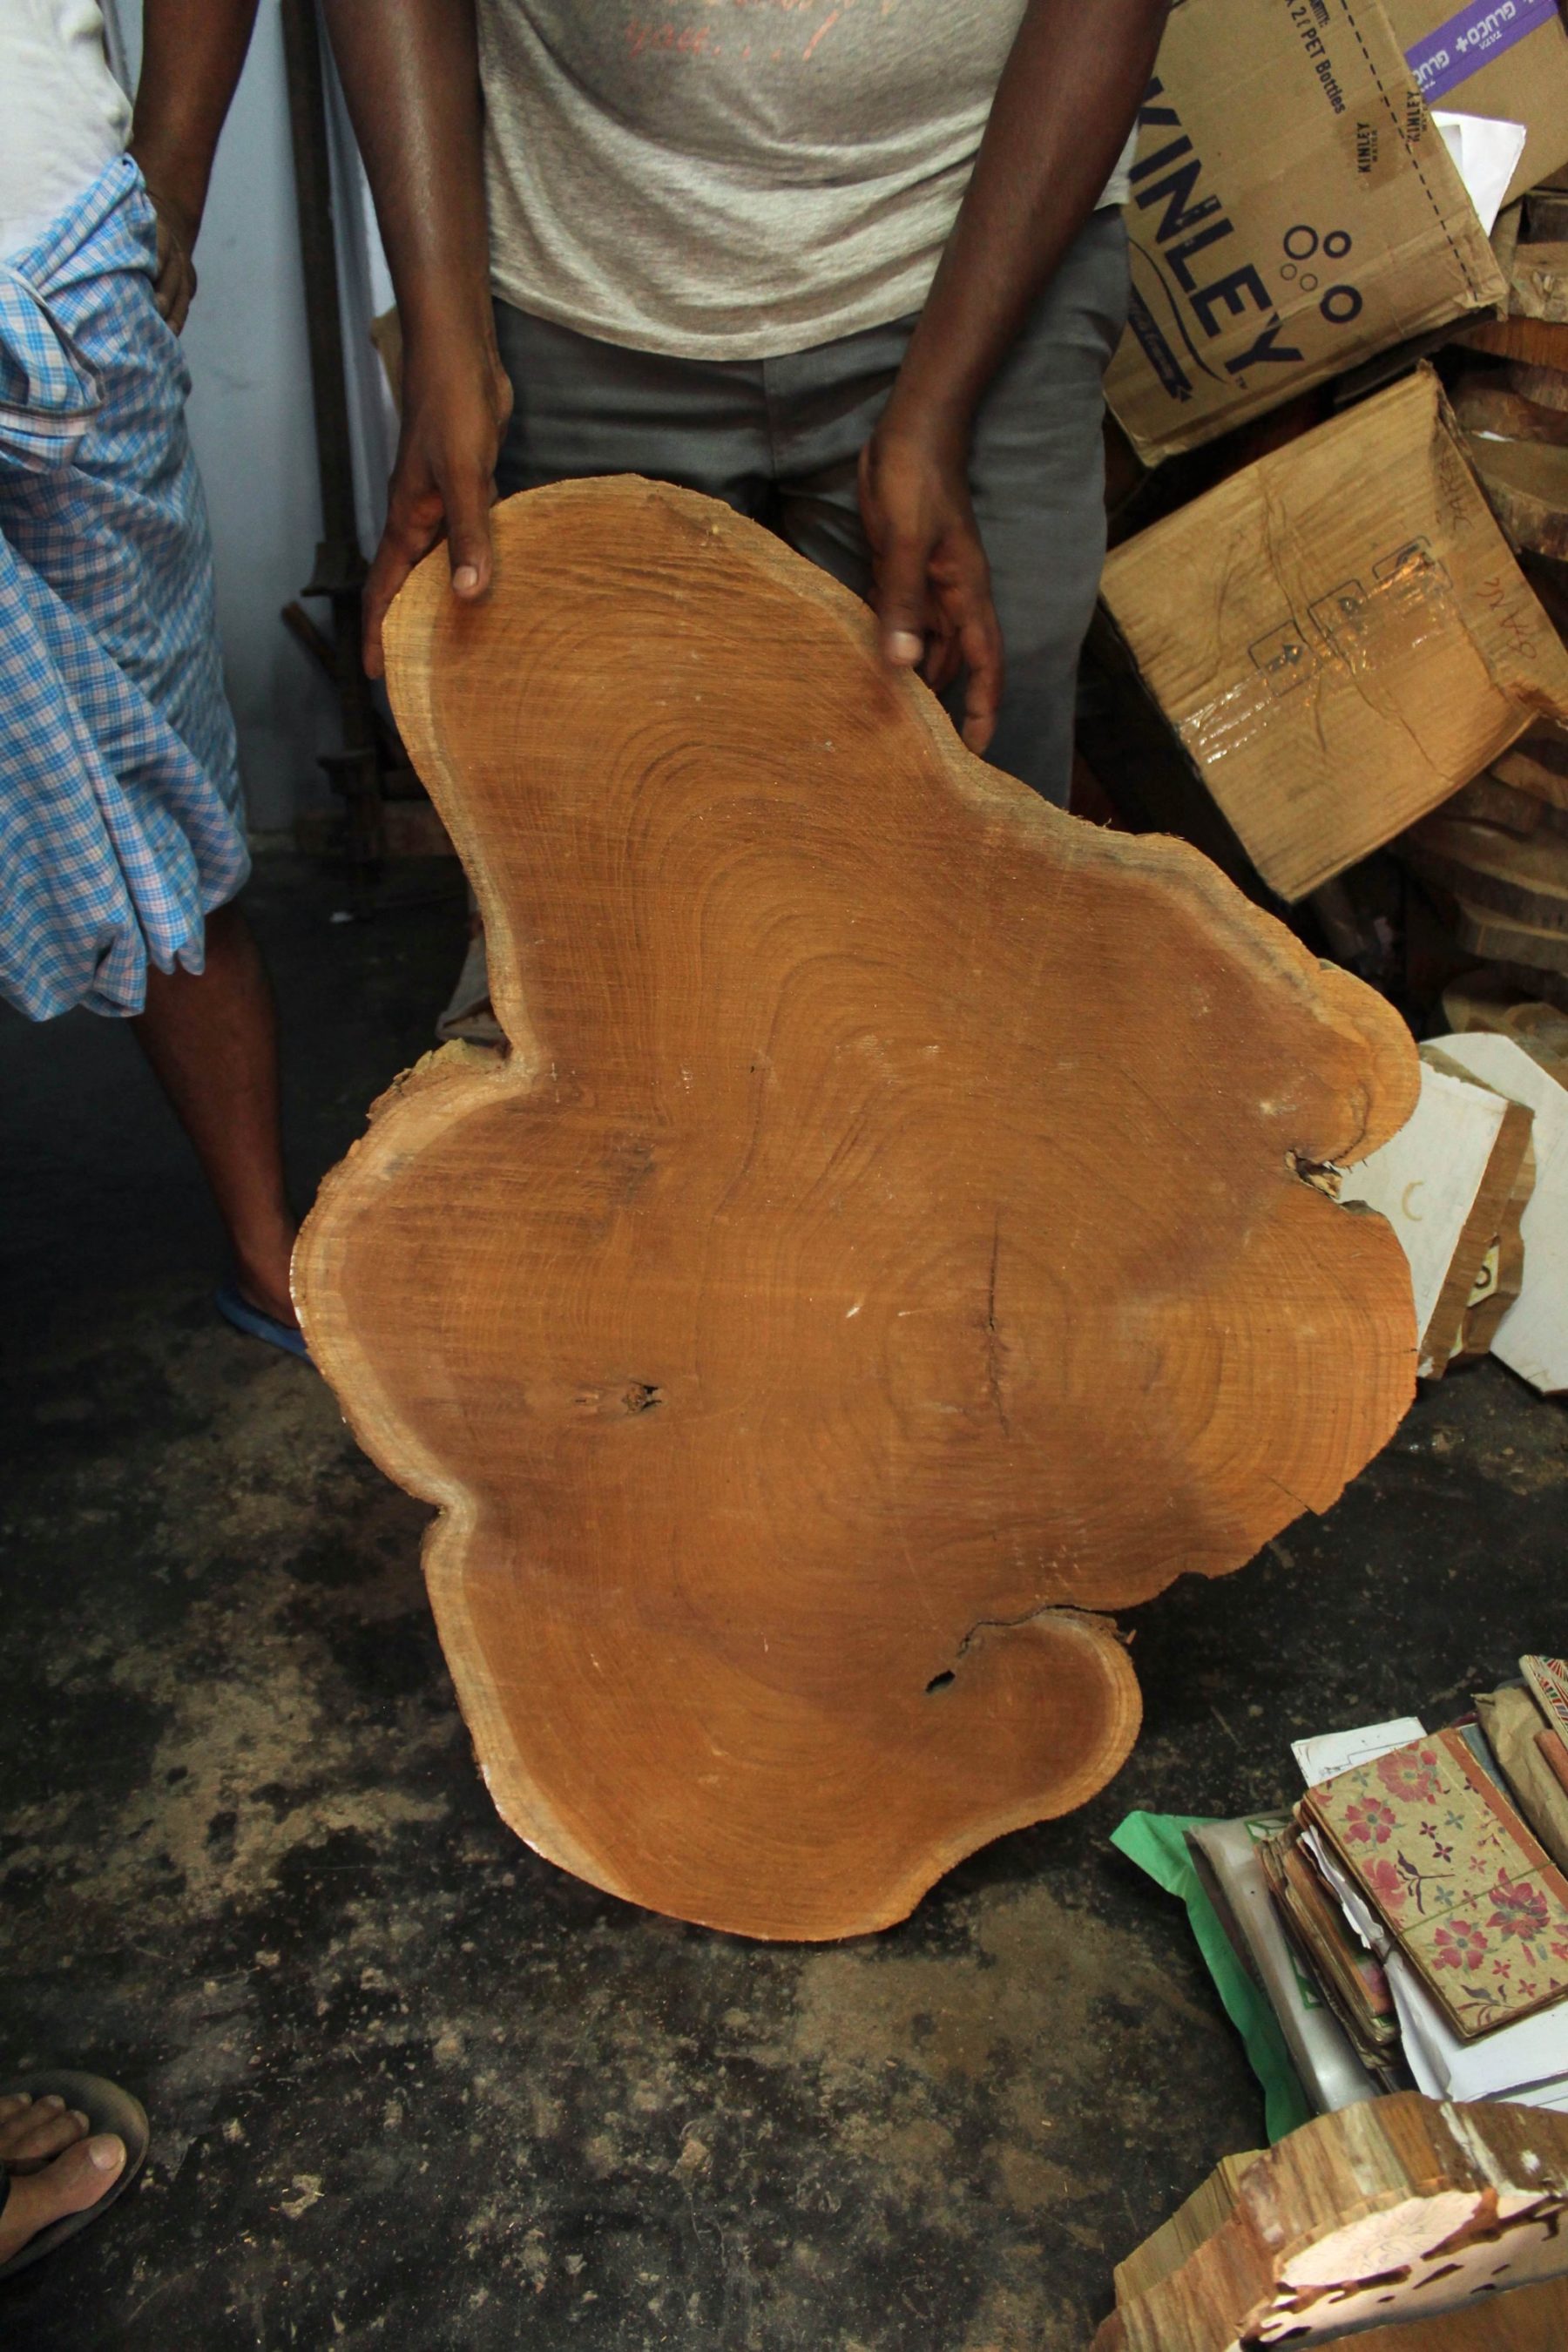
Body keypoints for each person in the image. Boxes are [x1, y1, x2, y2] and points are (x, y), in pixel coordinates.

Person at [322, 0, 1167, 810]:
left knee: (975, 842)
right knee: (588, 841)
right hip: (582, 270)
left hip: (979, 248)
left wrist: (934, 416)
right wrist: (444, 340)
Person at [1, 0, 304, 1354]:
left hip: (53, 272)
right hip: (61, 271)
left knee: (169, 792)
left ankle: (268, 1251)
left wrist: (166, 185)